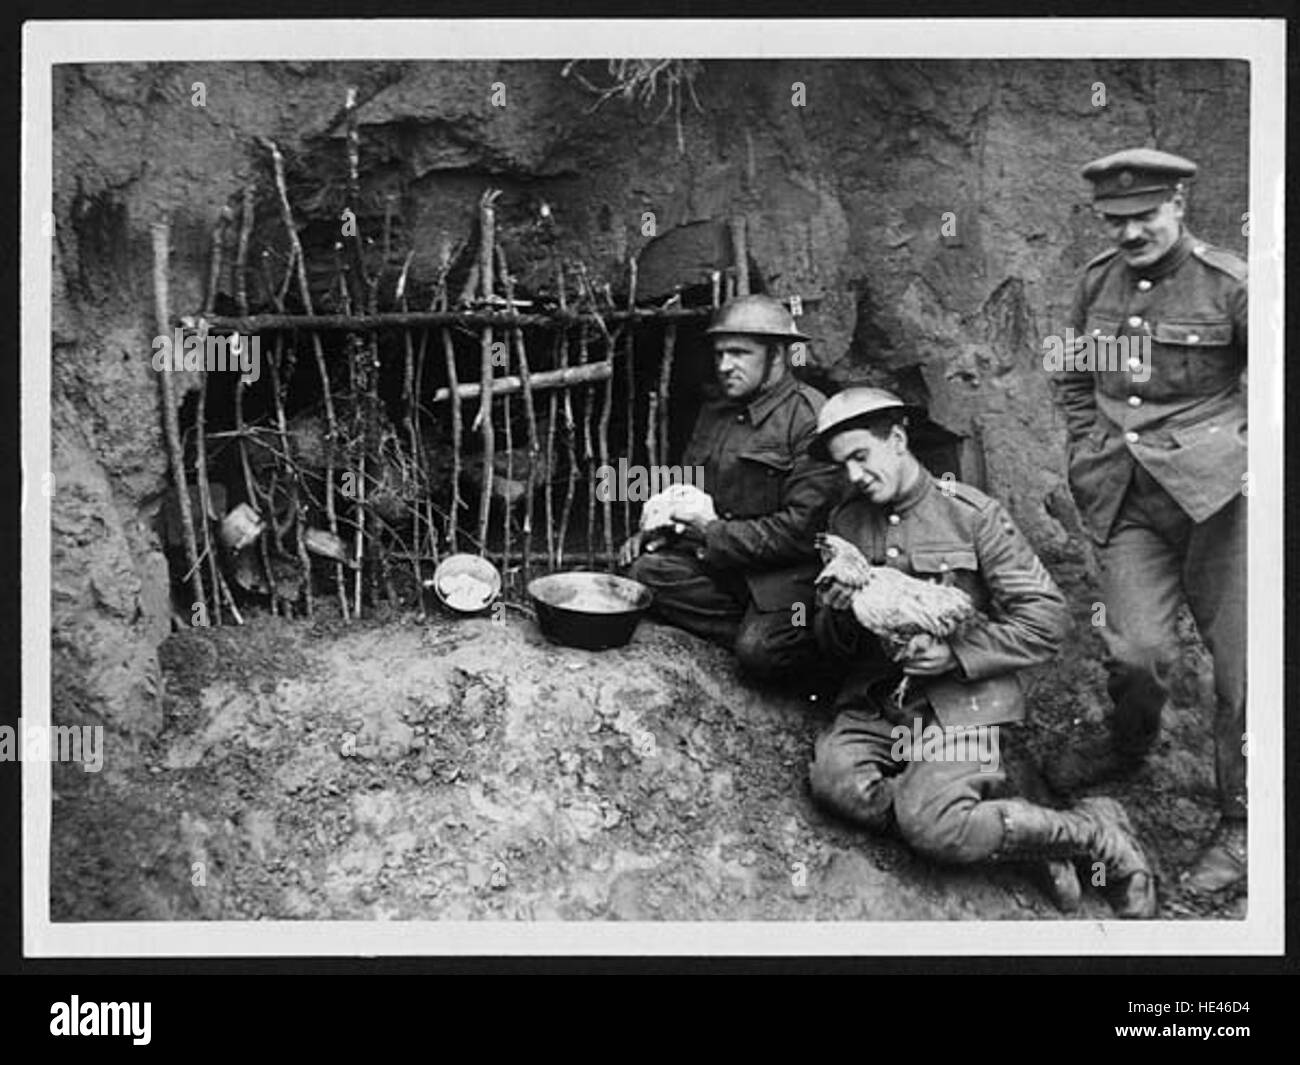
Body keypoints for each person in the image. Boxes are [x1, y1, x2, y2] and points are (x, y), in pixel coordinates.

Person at [807, 387, 1156, 918]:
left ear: (897, 440)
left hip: (961, 705)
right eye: (842, 465)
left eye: (861, 456)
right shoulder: (847, 523)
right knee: (836, 784)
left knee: (932, 827)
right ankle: (1021, 839)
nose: (853, 475)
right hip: (883, 702)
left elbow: (1046, 621)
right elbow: (833, 646)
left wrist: (954, 656)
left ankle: (1096, 835)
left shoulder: (971, 514)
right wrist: (834, 610)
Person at [1049, 148, 1247, 897]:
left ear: (1179, 207)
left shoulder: (1229, 284)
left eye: (1145, 217)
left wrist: (1249, 460)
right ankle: (1130, 744)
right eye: (1116, 220)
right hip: (1129, 497)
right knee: (1134, 651)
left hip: (1222, 501)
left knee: (1243, 674)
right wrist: (1083, 442)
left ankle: (1242, 826)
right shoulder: (1095, 281)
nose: (1131, 233)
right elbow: (1072, 369)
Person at [619, 294, 841, 681]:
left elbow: (804, 533)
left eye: (740, 353)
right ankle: (755, 629)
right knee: (644, 573)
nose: (725, 366)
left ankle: (785, 640)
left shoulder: (811, 419)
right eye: (720, 353)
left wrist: (712, 533)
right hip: (721, 565)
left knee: (760, 653)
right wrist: (653, 530)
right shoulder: (715, 410)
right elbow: (688, 487)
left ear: (778, 356)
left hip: (785, 578)